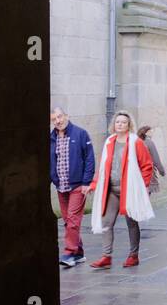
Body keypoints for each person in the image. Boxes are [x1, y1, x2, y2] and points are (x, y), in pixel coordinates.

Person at [85, 111, 155, 269]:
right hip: (111, 190)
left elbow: (147, 165)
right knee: (106, 222)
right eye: (117, 122)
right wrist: (94, 184)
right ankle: (106, 257)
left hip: (129, 190)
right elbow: (103, 167)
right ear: (114, 125)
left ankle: (133, 255)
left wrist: (142, 187)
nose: (120, 124)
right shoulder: (109, 141)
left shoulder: (135, 142)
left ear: (129, 125)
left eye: (123, 122)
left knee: (131, 222)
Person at [50, 107, 95, 268]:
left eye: (60, 117)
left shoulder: (80, 134)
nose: (58, 121)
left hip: (78, 185)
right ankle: (79, 253)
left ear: (67, 116)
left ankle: (69, 253)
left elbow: (89, 159)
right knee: (69, 221)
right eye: (54, 119)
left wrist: (86, 182)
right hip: (61, 186)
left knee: (73, 220)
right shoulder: (51, 138)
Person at [137, 125, 166, 195]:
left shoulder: (136, 141)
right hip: (148, 173)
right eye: (151, 131)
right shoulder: (149, 142)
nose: (152, 132)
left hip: (137, 173)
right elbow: (156, 160)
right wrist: (162, 171)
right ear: (146, 133)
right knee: (146, 197)